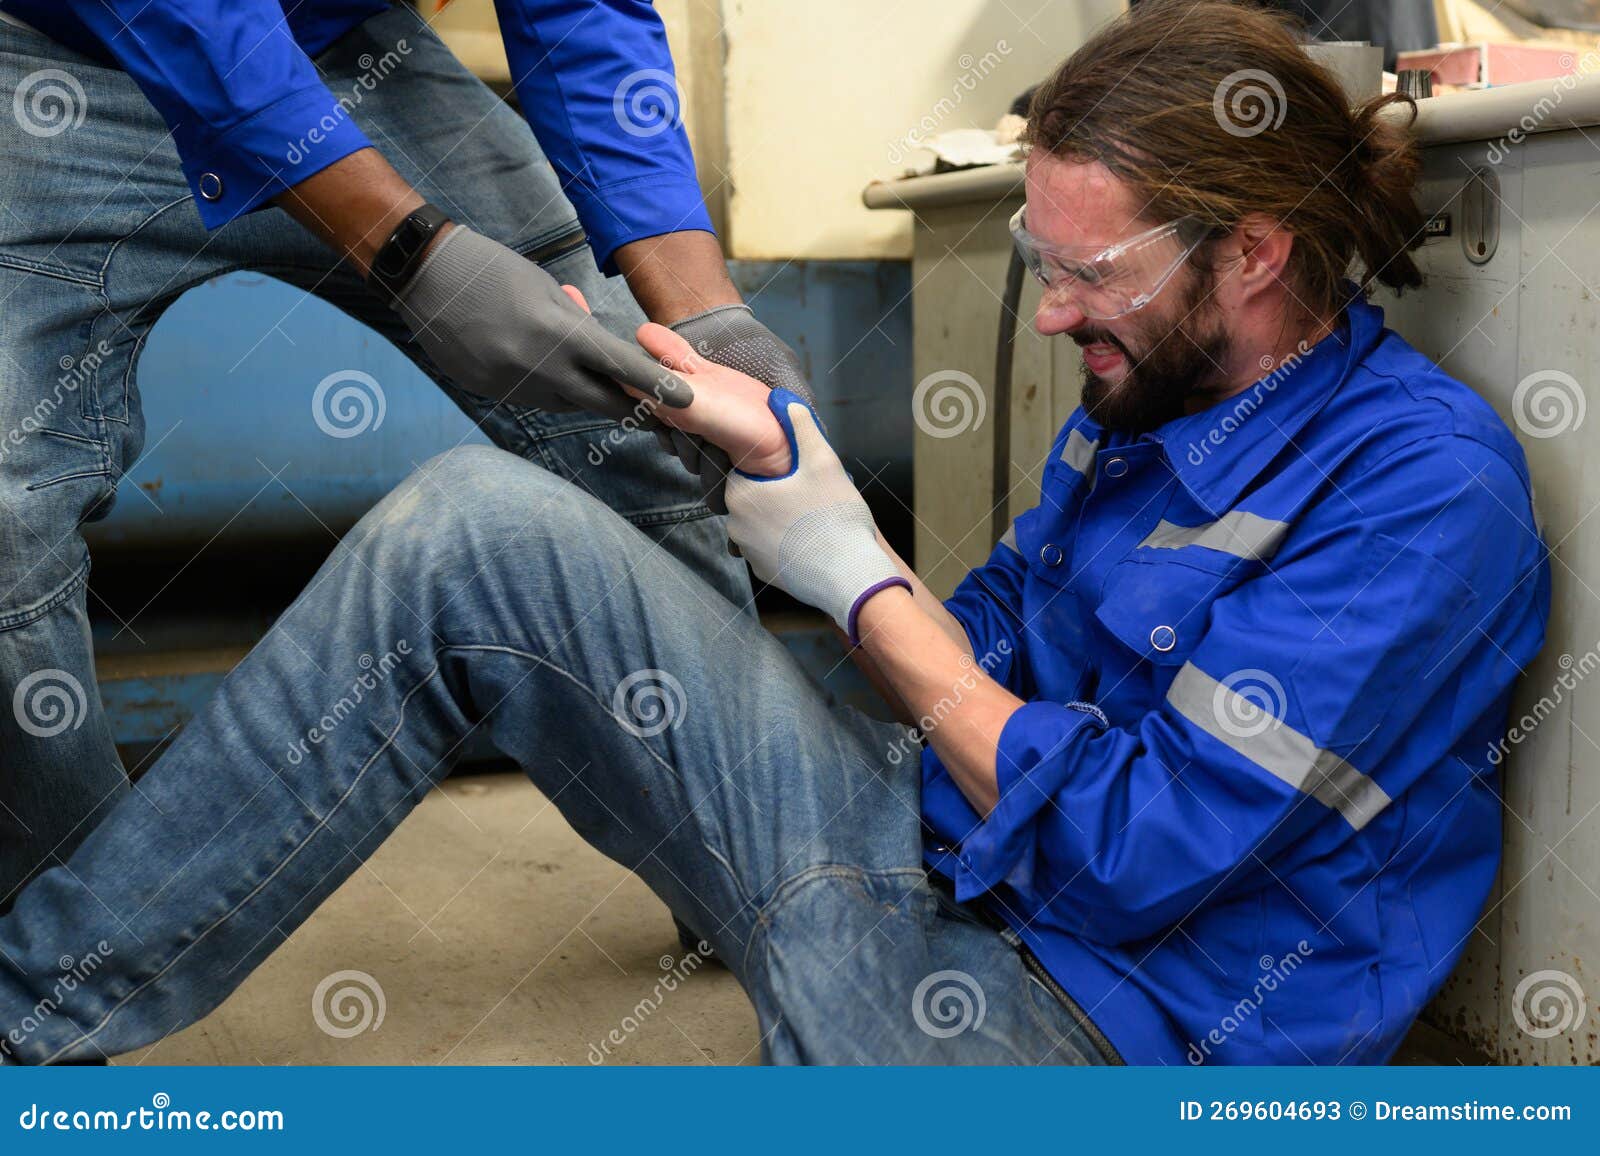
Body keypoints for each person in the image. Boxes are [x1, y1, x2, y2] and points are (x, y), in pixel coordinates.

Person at [0, 0, 1551, 1065]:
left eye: (1089, 275)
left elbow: (1137, 853)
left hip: (1067, 1036)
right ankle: (35, 1021)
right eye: (1041, 260)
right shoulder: (1159, 387)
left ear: (1256, 252)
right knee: (470, 529)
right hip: (945, 879)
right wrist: (789, 484)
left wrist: (853, 573)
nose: (1050, 314)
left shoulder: (1419, 493)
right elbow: (982, 656)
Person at [0, 1, 803, 910]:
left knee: (653, 422)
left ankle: (771, 886)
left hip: (346, 59)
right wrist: (414, 252)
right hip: (53, 73)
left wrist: (701, 314)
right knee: (5, 517)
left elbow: (578, 9)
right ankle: (66, 955)